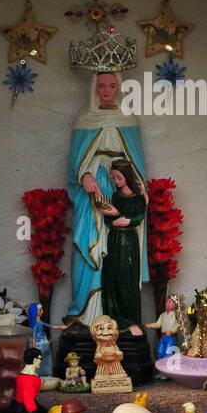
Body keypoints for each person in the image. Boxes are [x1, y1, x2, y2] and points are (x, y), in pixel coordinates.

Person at [65, 70, 148, 326]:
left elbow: (136, 165)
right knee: (86, 249)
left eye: (112, 85)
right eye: (101, 86)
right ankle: (84, 314)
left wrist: (134, 190)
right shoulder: (84, 119)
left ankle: (117, 316)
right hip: (90, 195)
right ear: (94, 88)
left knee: (118, 254)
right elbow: (74, 162)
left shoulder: (128, 119)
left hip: (119, 188)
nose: (107, 91)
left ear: (119, 87)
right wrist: (85, 174)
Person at [98, 159, 146, 335]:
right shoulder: (116, 196)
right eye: (114, 178)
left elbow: (136, 218)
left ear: (127, 176)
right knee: (114, 277)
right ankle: (115, 318)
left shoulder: (137, 197)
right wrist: (112, 217)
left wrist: (118, 216)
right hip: (114, 240)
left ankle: (130, 319)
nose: (116, 182)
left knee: (127, 277)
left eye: (119, 178)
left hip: (128, 242)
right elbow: (110, 220)